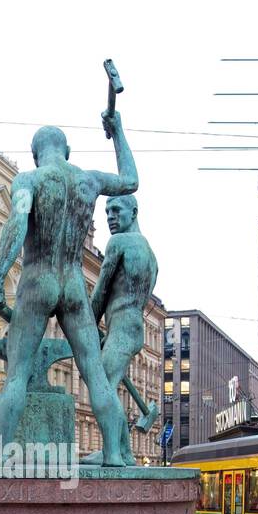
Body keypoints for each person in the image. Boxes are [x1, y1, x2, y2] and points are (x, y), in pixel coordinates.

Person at [0, 111, 138, 466]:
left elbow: (16, 224)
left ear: (34, 153)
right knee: (95, 373)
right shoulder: (88, 181)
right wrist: (117, 131)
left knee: (17, 375)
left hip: (37, 279)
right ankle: (114, 454)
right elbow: (130, 180)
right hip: (72, 282)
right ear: (67, 151)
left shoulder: (28, 179)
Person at [88, 194, 158, 465]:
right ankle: (124, 452)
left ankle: (113, 453)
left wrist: (86, 325)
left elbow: (102, 289)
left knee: (102, 385)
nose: (110, 217)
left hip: (121, 327)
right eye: (106, 212)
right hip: (132, 327)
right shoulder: (151, 256)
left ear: (134, 211)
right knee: (109, 384)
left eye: (116, 210)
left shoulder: (118, 243)